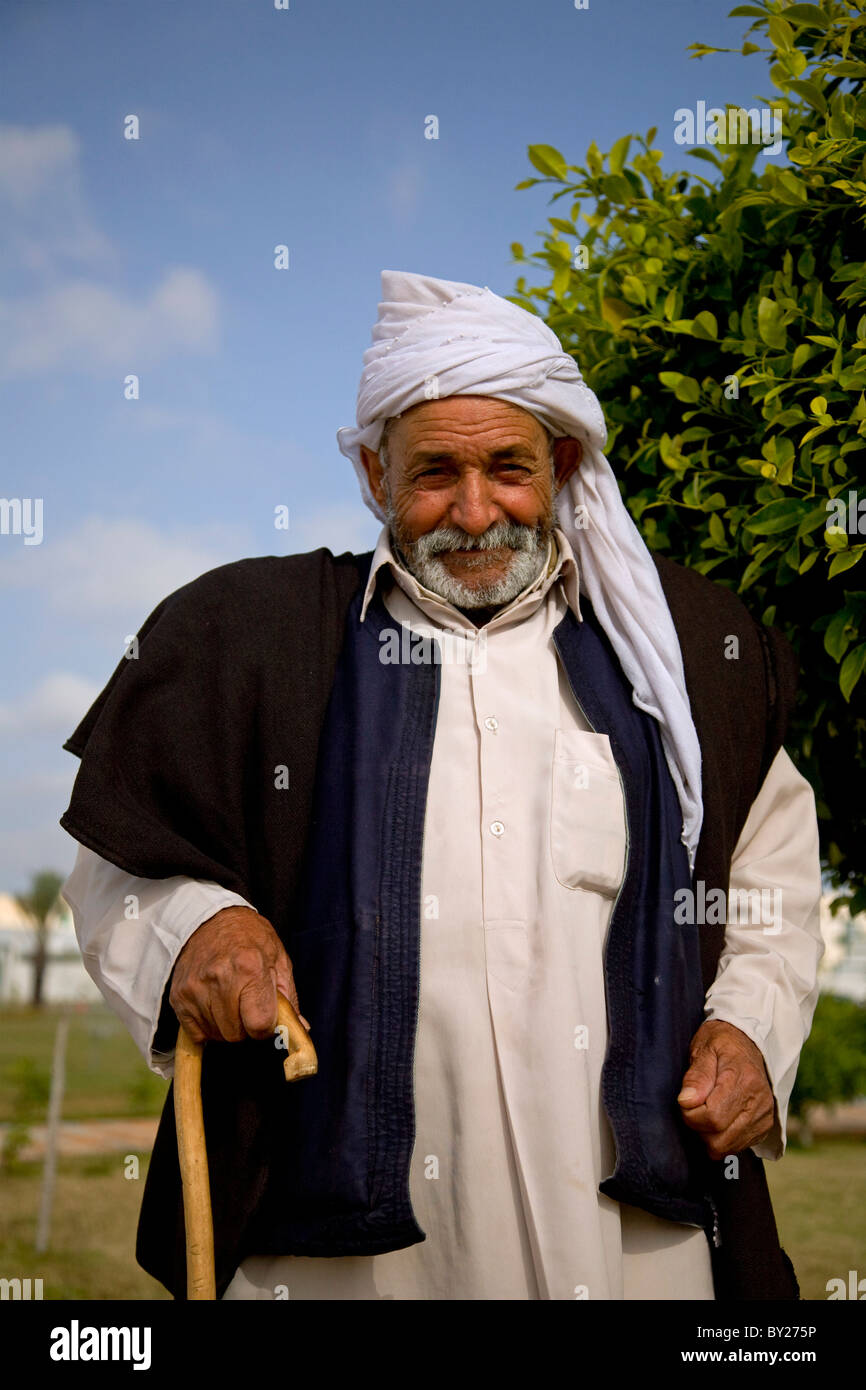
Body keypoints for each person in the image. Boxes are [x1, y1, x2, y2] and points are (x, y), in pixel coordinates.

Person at [60, 270, 823, 1301]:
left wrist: (747, 1029)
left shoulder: (690, 654)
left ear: (560, 464)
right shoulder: (248, 640)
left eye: (508, 467)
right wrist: (198, 925)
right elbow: (118, 867)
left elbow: (771, 885)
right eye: (432, 474)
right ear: (375, 477)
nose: (474, 511)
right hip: (341, 1260)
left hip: (636, 1246)